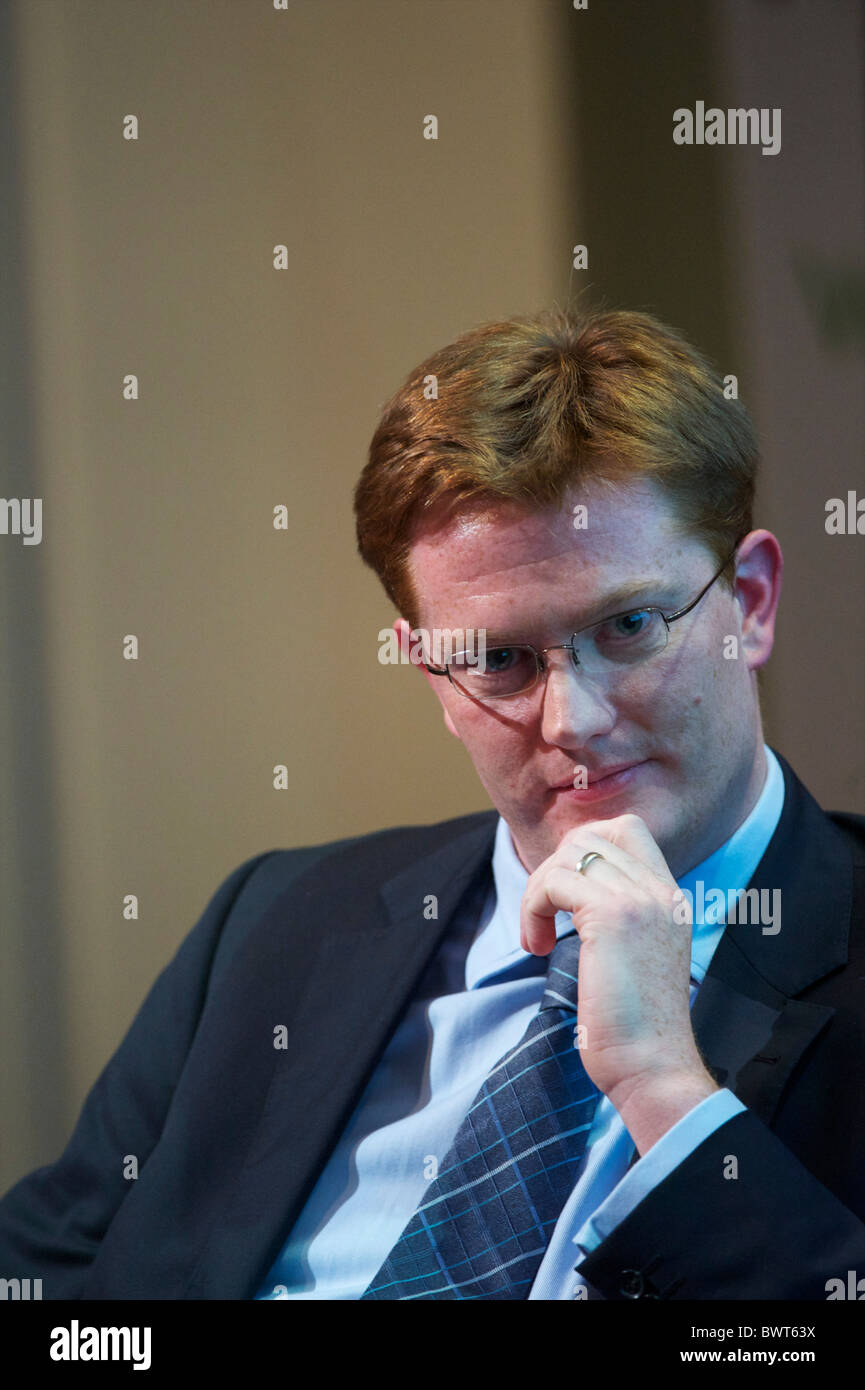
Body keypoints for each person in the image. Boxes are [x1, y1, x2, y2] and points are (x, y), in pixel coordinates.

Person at [0, 306, 862, 1300]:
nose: (571, 719)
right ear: (429, 675)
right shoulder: (277, 922)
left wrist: (662, 1087)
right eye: (496, 660)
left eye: (628, 625)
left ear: (749, 601)